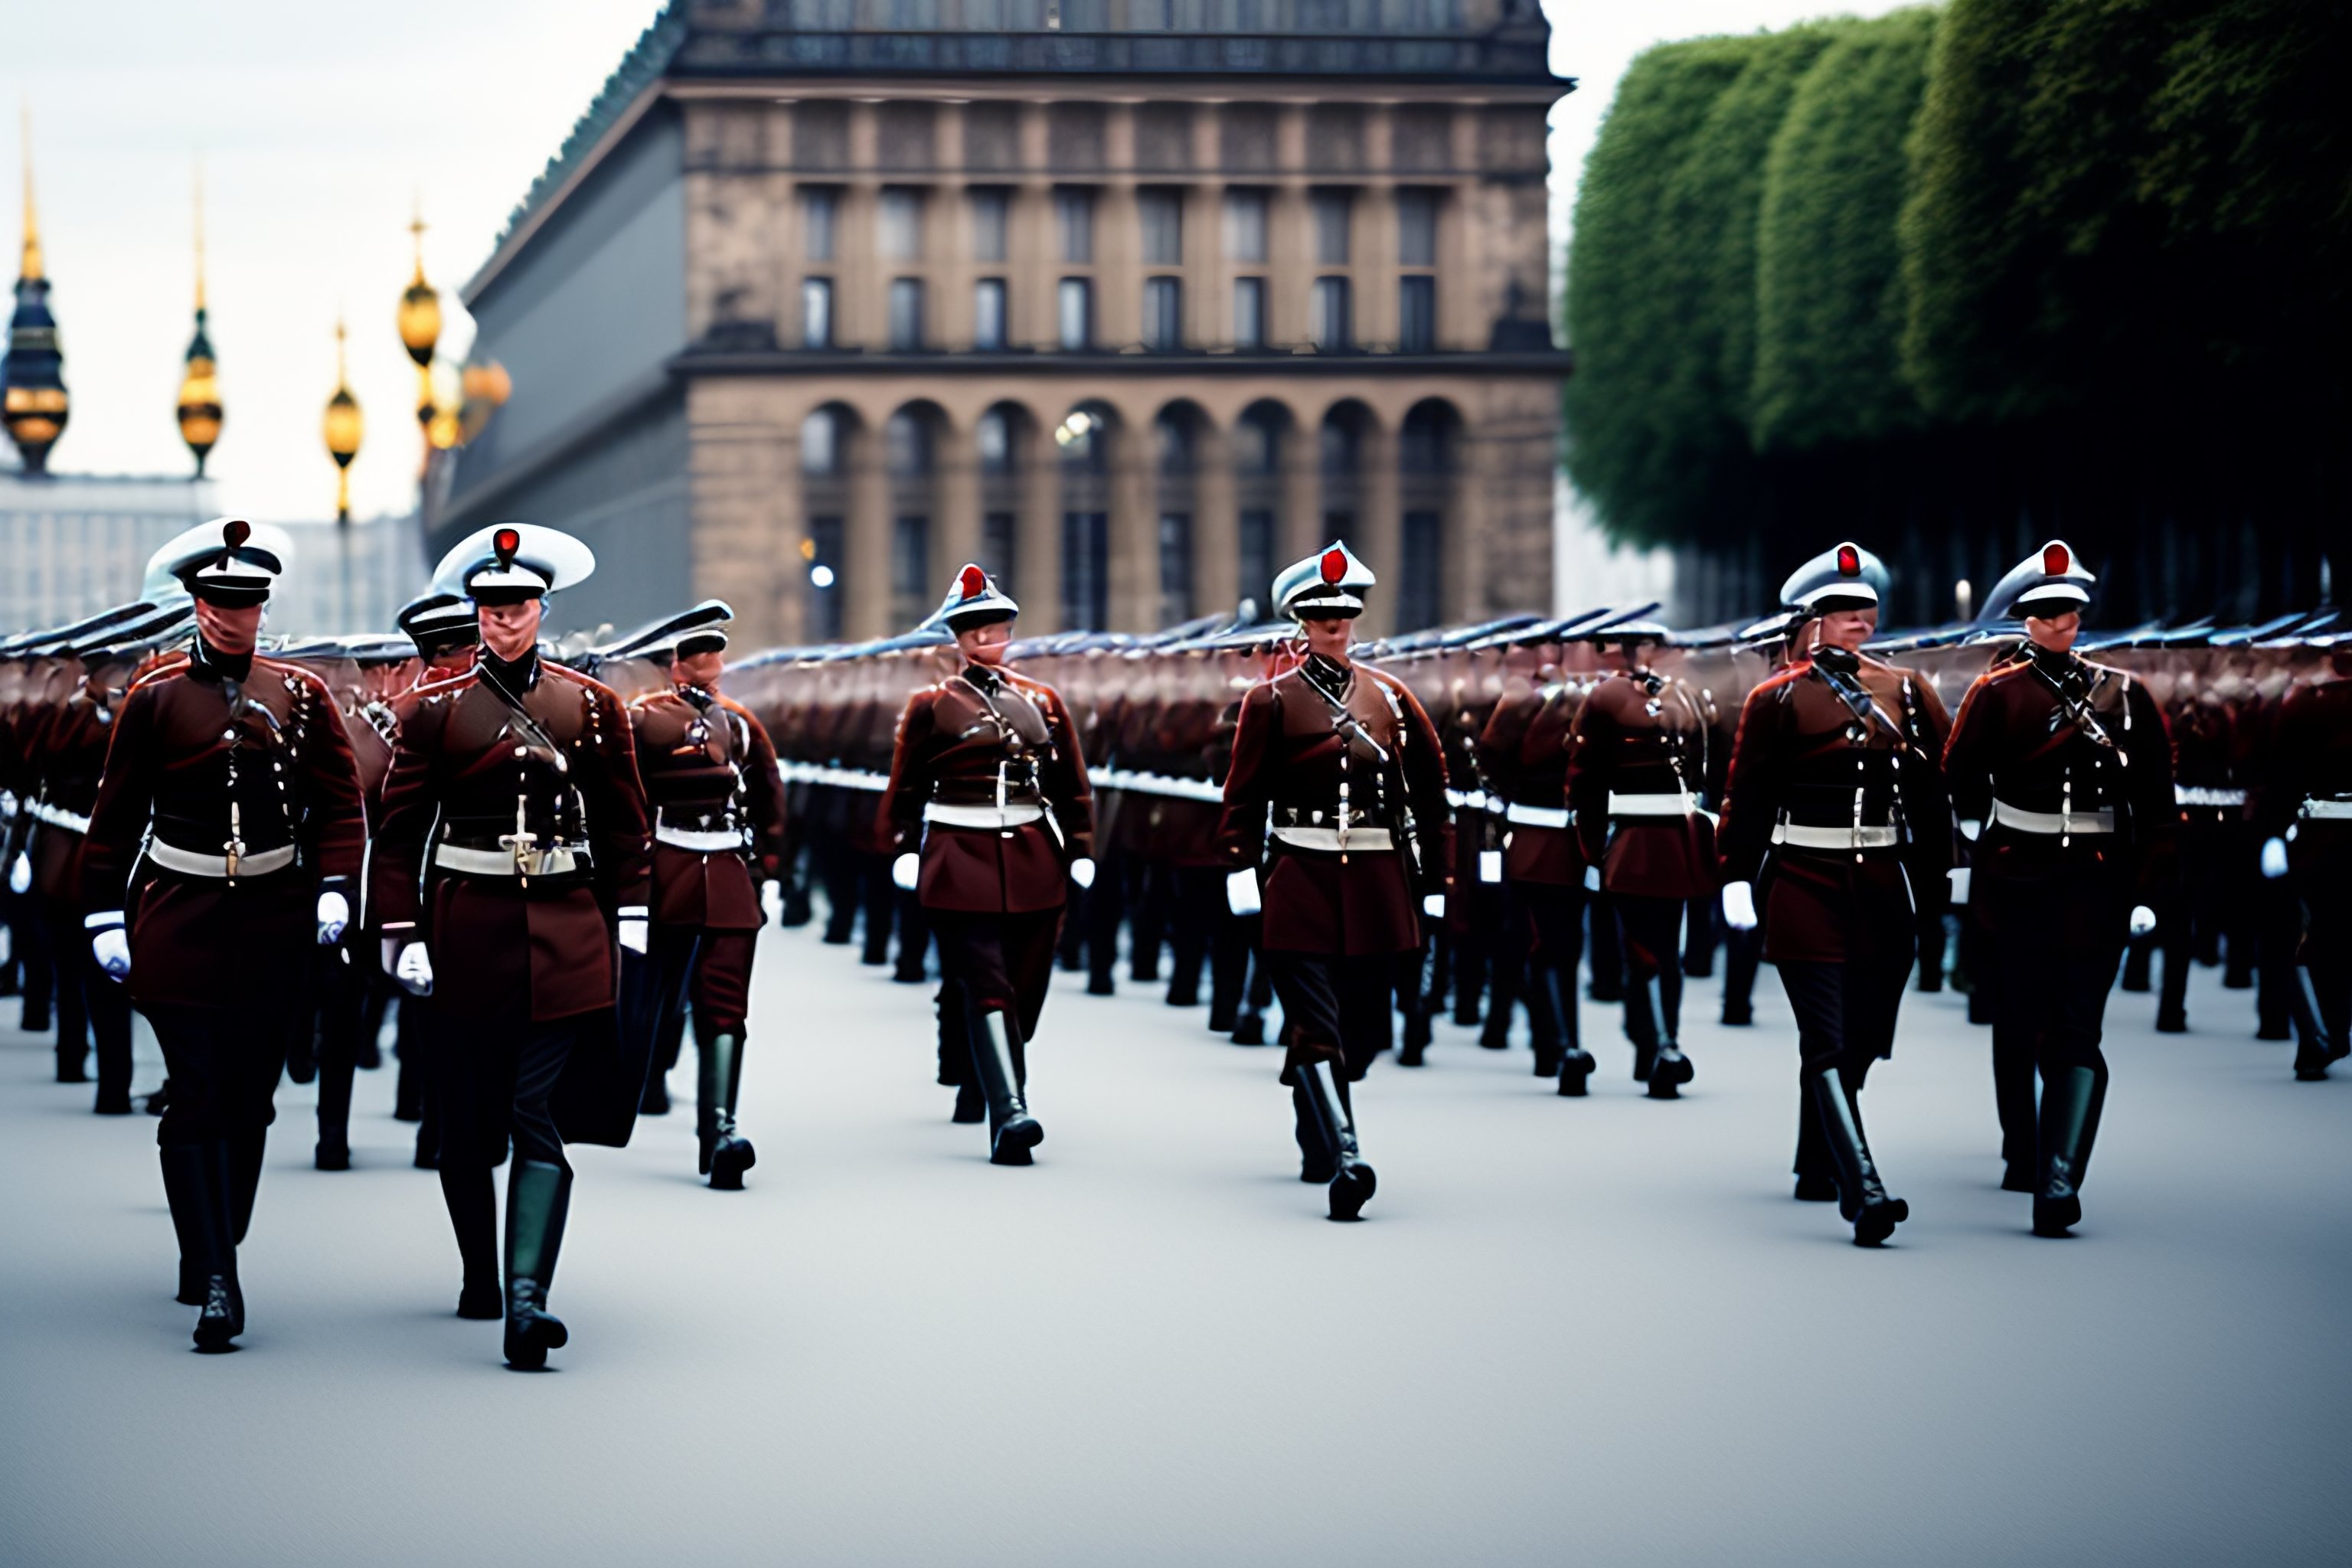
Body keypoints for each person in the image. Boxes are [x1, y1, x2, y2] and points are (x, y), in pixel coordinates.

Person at [81, 520, 365, 1350]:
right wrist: (103, 912)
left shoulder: (302, 694)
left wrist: (337, 886)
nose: (223, 617)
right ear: (196, 604)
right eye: (211, 601)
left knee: (252, 1099)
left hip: (274, 914)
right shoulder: (156, 696)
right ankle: (216, 1276)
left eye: (240, 604)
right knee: (196, 1092)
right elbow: (115, 817)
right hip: (181, 912)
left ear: (261, 608)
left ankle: (214, 1239)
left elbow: (342, 803)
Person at [373, 524, 652, 1368]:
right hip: (467, 930)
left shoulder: (591, 706)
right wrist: (401, 932)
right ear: (476, 612)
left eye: (519, 605)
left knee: (535, 1112)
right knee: (465, 1120)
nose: (505, 620)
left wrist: (632, 913)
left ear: (542, 608)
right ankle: (480, 1271)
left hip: (565, 928)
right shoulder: (435, 712)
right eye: (491, 608)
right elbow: (397, 836)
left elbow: (625, 822)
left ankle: (527, 1299)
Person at [1717, 544, 1954, 1245]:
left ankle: (1816, 1156)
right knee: (1823, 1035)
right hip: (1803, 878)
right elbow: (1748, 796)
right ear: (1813, 620)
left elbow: (1933, 791)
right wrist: (1735, 875)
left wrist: (1947, 873)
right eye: (1843, 611)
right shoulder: (1777, 698)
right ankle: (1866, 1190)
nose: (1860, 620)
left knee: (1863, 1037)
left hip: (1882, 884)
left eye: (1866, 609)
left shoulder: (1907, 692)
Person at [1943, 541, 2174, 1238]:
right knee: (2019, 1017)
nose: (2061, 621)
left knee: (2079, 1025)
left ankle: (2059, 1174)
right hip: (2018, 875)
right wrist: (1973, 861)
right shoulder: (1996, 694)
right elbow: (1959, 784)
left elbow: (2155, 801)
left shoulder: (2124, 695)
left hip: (2097, 878)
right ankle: (2024, 1146)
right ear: (2024, 620)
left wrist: (2148, 888)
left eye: (2070, 608)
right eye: (2046, 611)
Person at [1217, 543, 1452, 1220]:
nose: (1336, 628)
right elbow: (1243, 794)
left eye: (1345, 616)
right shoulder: (1271, 701)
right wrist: (1239, 867)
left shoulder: (1392, 698)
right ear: (1300, 622)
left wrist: (1437, 877)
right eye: (1322, 618)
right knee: (1318, 1028)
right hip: (1300, 874)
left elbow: (1434, 795)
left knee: (1366, 1031)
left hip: (1378, 878)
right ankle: (1347, 1157)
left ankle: (1314, 1107)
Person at [879, 564, 1095, 1165]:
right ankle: (1011, 1114)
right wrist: (901, 847)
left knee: (1026, 987)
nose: (985, 637)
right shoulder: (932, 704)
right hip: (959, 850)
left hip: (1030, 852)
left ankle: (984, 1076)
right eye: (972, 629)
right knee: (987, 983)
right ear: (957, 638)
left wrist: (1080, 849)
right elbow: (905, 786)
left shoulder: (1043, 702)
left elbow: (1071, 782)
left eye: (994, 627)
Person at [625, 603, 788, 1187]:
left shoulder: (740, 724)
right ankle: (640, 1084)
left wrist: (766, 873)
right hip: (665, 871)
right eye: (696, 656)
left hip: (725, 874)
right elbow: (626, 804)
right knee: (654, 999)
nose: (707, 665)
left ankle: (719, 1131)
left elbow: (769, 799)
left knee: (725, 1006)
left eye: (713, 655)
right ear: (673, 664)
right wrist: (630, 889)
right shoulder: (640, 721)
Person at [1565, 621, 1717, 1097]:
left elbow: (1702, 766)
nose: (1660, 654)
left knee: (1667, 951)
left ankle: (1659, 1046)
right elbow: (1585, 781)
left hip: (1676, 840)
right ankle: (1657, 1045)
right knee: (1642, 950)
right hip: (1630, 840)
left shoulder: (1685, 697)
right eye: (1650, 646)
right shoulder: (1607, 697)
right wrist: (1595, 850)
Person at [1476, 642, 1599, 1093]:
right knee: (1548, 944)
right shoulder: (1533, 700)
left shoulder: (1603, 697)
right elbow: (1491, 754)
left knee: (1567, 944)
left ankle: (1561, 1044)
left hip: (1582, 841)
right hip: (1537, 837)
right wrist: (1517, 801)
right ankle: (1559, 1046)